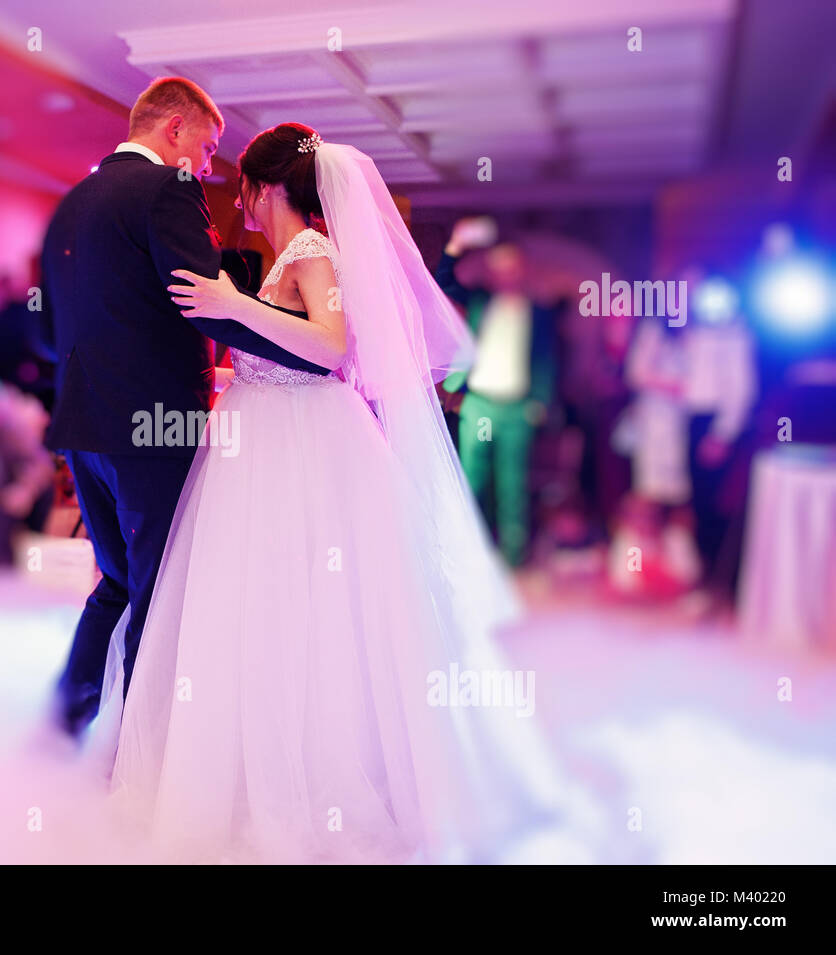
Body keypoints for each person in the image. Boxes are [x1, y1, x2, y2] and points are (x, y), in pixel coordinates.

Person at [91, 124, 601, 863]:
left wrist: (233, 306)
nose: (240, 202)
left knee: (314, 607)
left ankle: (318, 777)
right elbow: (289, 356)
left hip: (303, 446)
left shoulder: (312, 253)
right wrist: (237, 355)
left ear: (263, 189)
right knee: (265, 605)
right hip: (267, 435)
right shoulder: (288, 260)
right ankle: (254, 767)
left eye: (243, 188)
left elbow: (331, 346)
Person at [39, 79, 331, 737]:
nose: (209, 166)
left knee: (116, 579)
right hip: (153, 432)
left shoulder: (73, 201)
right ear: (174, 130)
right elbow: (207, 302)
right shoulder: (168, 190)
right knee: (161, 591)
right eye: (207, 147)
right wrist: (315, 355)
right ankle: (142, 757)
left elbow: (44, 328)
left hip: (82, 429)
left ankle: (65, 721)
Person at [436, 221, 558, 566]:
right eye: (499, 267)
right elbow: (442, 282)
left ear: (522, 269)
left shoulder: (539, 311)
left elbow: (548, 359)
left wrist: (540, 402)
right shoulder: (479, 300)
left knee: (512, 487)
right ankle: (467, 555)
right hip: (478, 403)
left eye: (512, 267)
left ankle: (512, 561)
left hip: (518, 408)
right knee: (470, 480)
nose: (506, 274)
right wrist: (456, 245)